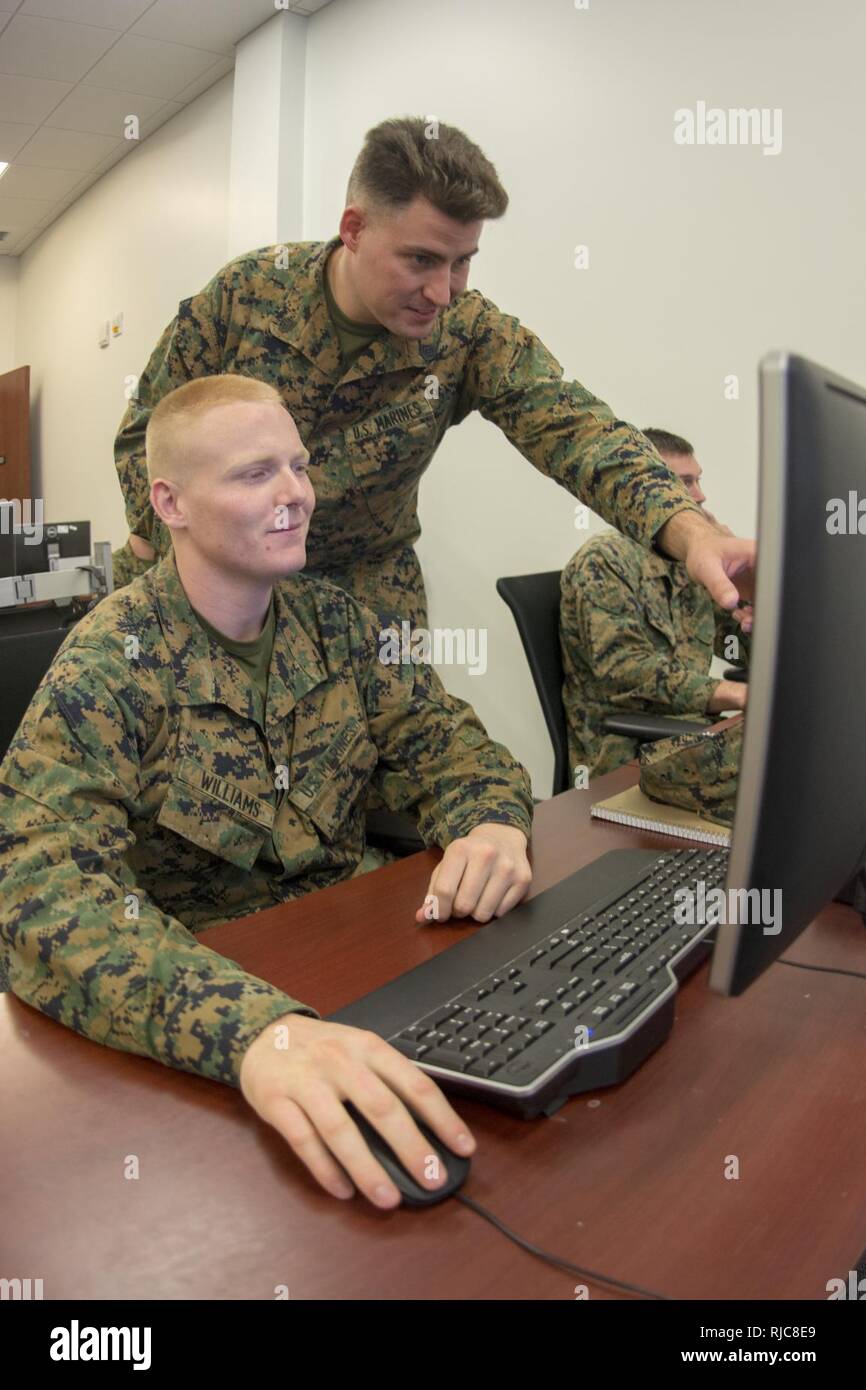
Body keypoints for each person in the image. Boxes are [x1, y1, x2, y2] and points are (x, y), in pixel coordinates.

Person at [0, 374, 536, 1211]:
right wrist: (252, 1033)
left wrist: (493, 824)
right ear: (170, 503)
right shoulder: (107, 665)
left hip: (374, 960)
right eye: (256, 474)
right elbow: (43, 897)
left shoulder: (337, 623)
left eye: (299, 465)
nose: (297, 495)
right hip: (208, 1010)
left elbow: (451, 745)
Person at [110, 116, 755, 640]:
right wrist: (169, 547)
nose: (443, 291)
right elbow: (144, 432)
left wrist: (690, 529)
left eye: (462, 263)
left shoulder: (469, 334)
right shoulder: (247, 294)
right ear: (354, 229)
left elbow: (577, 430)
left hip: (367, 602)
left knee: (401, 777)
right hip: (220, 588)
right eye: (421, 259)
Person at [559, 428, 750, 781]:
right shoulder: (605, 561)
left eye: (698, 481)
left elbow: (739, 649)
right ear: (648, 492)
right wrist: (735, 694)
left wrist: (747, 589)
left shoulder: (688, 563)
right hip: (625, 750)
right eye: (686, 483)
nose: (701, 496)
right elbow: (627, 674)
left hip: (690, 732)